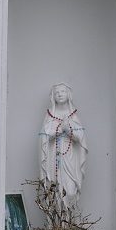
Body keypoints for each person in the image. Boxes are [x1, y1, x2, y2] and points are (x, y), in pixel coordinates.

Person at [39, 83, 88, 212]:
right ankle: (56, 226)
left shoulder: (73, 115)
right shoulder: (50, 115)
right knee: (54, 191)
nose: (60, 94)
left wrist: (68, 129)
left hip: (70, 155)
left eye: (62, 91)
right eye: (57, 92)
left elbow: (81, 137)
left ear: (68, 95)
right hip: (53, 156)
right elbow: (44, 137)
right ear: (53, 97)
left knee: (70, 191)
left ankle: (68, 224)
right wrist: (59, 130)